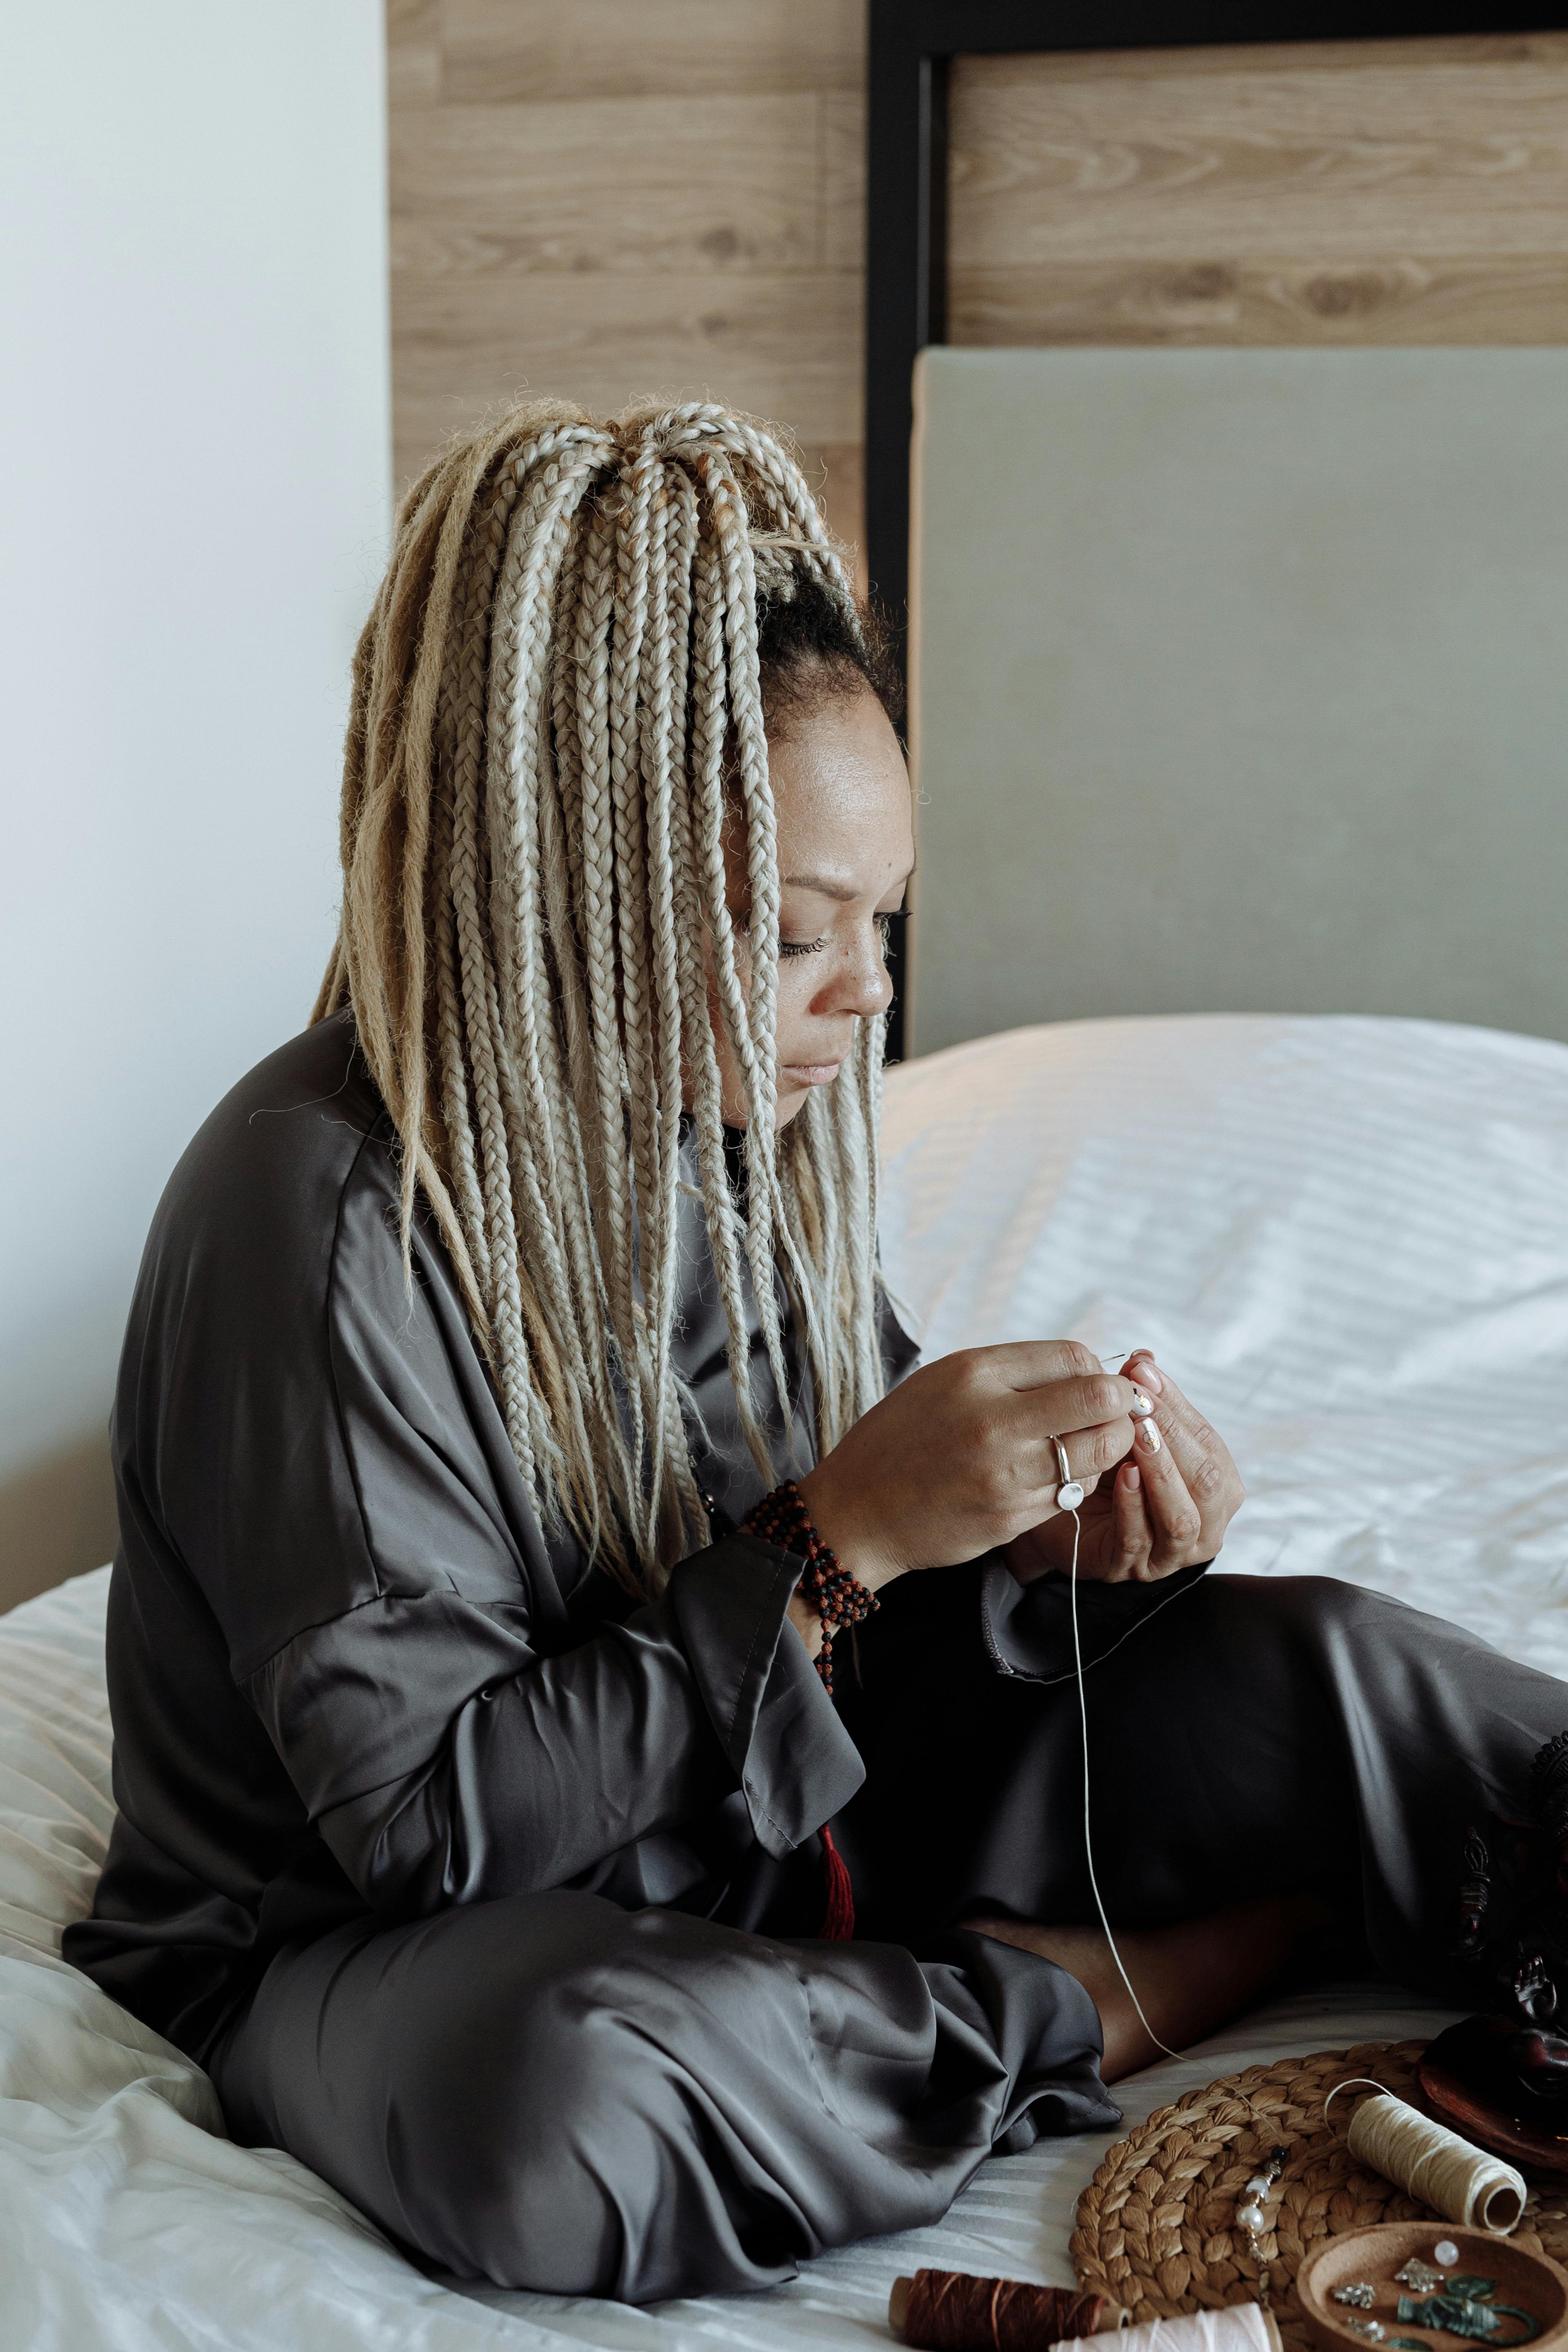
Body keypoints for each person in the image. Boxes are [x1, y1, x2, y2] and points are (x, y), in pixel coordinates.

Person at [65, 401, 1568, 2303]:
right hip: (391, 1939)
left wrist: (1044, 1535)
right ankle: (1088, 1997)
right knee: (552, 2095)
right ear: (569, 888)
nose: (866, 1000)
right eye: (795, 936)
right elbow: (434, 1828)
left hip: (771, 1811)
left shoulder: (728, 1138)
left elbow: (874, 1568)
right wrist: (840, 1539)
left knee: (1338, 1671)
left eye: (885, 922)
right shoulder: (323, 1211)